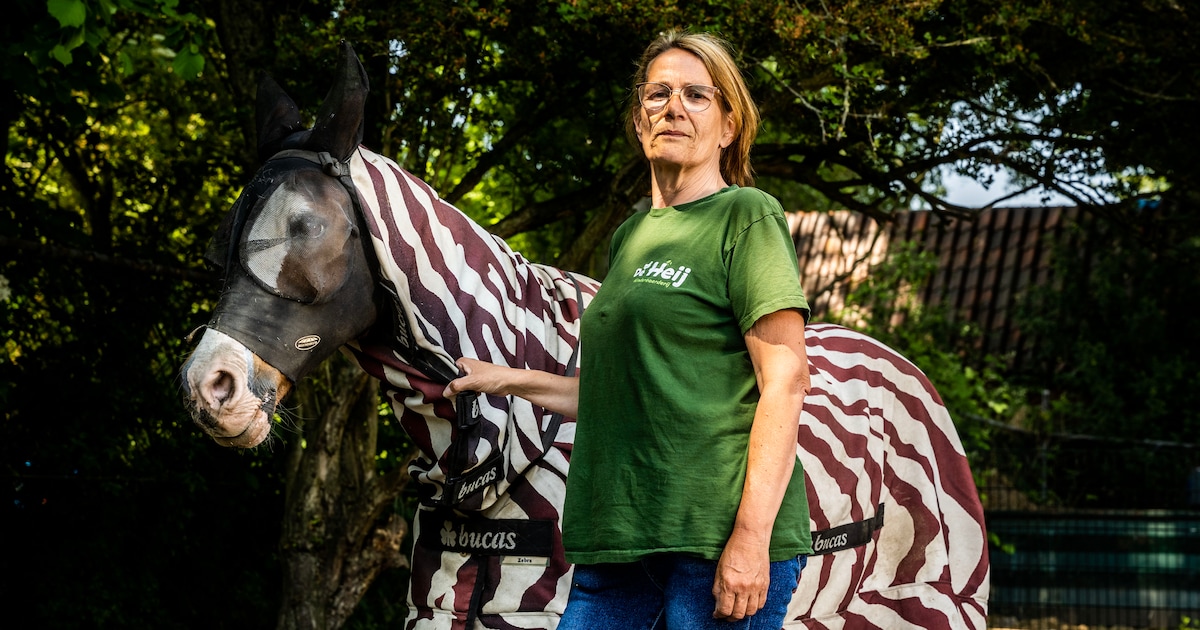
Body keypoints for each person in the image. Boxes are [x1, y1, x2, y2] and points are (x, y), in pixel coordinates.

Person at [445, 29, 812, 629]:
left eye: (697, 95)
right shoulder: (630, 237)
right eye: (657, 94)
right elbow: (616, 395)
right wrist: (504, 379)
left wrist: (750, 539)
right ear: (639, 123)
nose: (673, 107)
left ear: (728, 125)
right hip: (617, 543)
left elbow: (785, 381)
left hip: (710, 540)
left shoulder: (748, 216)